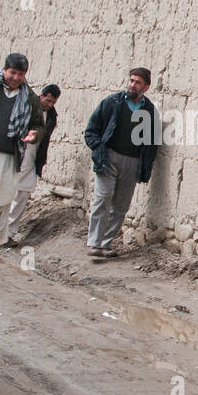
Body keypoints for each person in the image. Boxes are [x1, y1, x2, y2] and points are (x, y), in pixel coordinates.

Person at [83, 68, 159, 257]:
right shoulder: (112, 103)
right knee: (103, 198)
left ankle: (105, 244)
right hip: (109, 158)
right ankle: (94, 243)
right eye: (131, 81)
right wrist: (99, 149)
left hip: (132, 162)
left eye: (138, 82)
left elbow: (152, 141)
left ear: (146, 87)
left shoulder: (148, 110)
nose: (133, 85)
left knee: (121, 204)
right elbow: (92, 130)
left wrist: (145, 165)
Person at [0, 54, 44, 267]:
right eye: (12, 72)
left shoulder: (30, 98)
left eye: (20, 74)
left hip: (8, 158)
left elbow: (38, 124)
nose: (15, 77)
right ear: (5, 70)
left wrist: (34, 134)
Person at [7, 83, 60, 243]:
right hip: (17, 155)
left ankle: (8, 233)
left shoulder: (51, 116)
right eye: (48, 101)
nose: (49, 105)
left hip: (32, 160)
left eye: (53, 103)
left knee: (23, 194)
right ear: (41, 96)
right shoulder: (27, 107)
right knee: (8, 194)